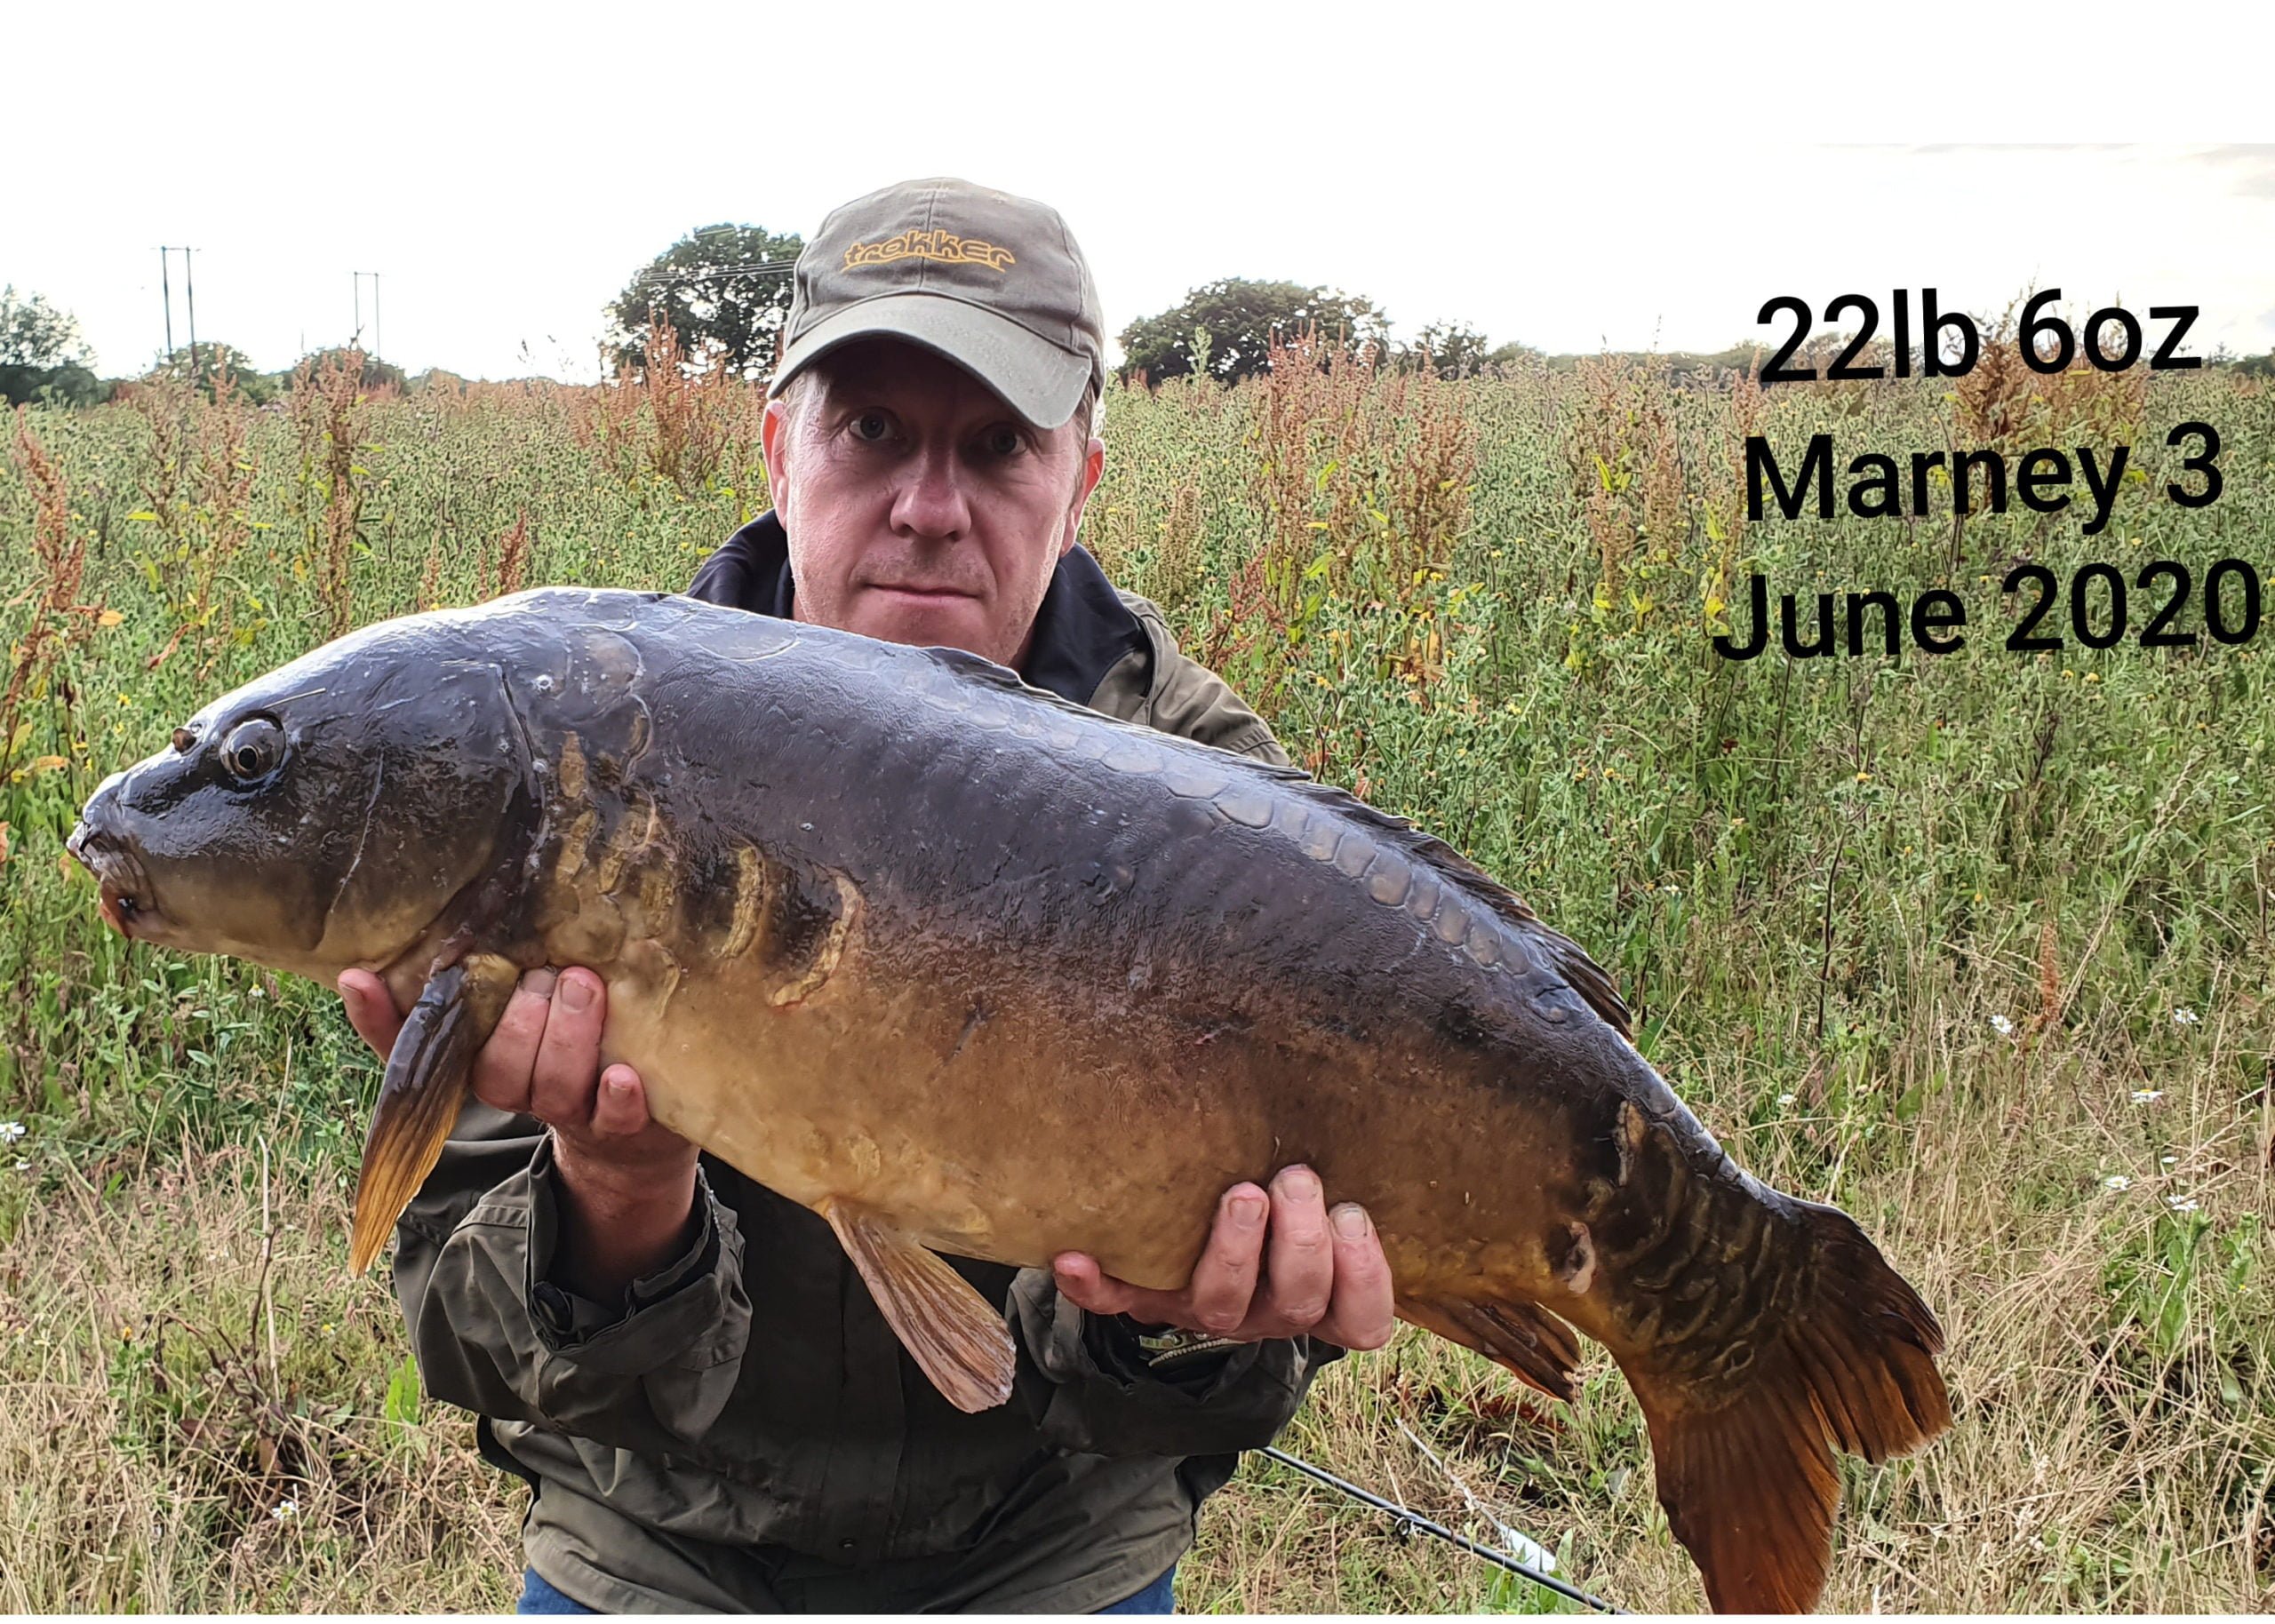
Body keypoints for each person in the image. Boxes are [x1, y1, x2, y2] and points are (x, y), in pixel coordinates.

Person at [337, 177, 1396, 1615]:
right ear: (782, 452)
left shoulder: (1209, 798)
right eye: (873, 431)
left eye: (999, 446)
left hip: (1045, 1544)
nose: (929, 510)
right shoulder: (581, 765)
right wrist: (619, 1186)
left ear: (1082, 480)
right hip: (660, 1542)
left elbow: (1194, 1399)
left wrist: (1187, 1326)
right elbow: (470, 1342)